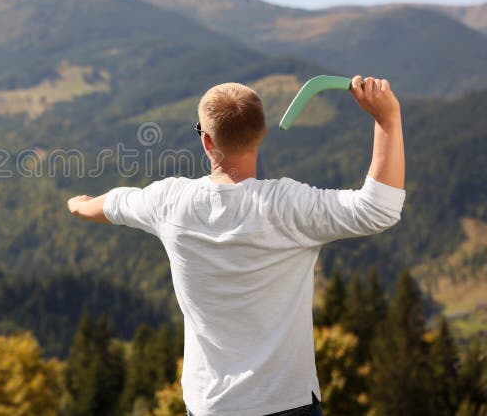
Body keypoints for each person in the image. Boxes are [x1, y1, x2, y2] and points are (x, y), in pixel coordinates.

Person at [66, 75, 405, 416]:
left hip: (211, 405)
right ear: (262, 133)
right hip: (288, 402)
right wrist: (386, 118)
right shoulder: (288, 206)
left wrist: (79, 206)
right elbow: (378, 209)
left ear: (207, 141)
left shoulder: (170, 202)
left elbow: (115, 202)